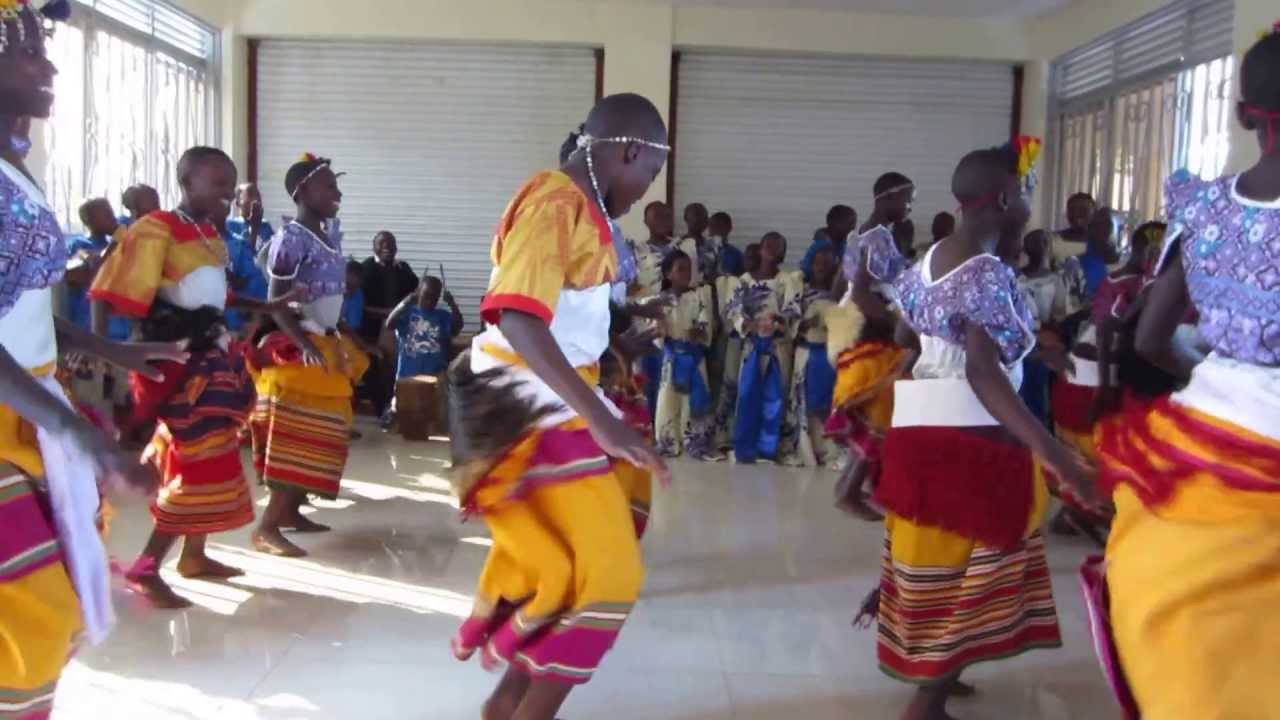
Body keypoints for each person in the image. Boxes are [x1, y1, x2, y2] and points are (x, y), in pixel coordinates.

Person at [448, 93, 670, 720]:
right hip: (522, 399)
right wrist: (600, 419)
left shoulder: (582, 206)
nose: (644, 189)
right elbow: (518, 315)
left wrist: (617, 340)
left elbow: (565, 309)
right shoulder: (555, 200)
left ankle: (507, 705)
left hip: (543, 390)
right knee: (609, 576)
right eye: (648, 174)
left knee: (579, 569)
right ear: (628, 151)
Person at [864, 138, 1091, 720]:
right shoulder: (987, 273)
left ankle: (943, 672)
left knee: (941, 564)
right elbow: (985, 372)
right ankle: (927, 700)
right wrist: (1053, 452)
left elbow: (919, 338)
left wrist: (1032, 355)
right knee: (982, 569)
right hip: (970, 440)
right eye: (1025, 200)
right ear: (1008, 199)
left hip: (923, 434)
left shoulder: (932, 258)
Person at [2, 1, 182, 707]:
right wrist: (91, 440)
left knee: (43, 615)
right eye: (25, 50)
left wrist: (116, 350)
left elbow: (22, 309)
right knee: (32, 614)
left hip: (26, 414)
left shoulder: (15, 171)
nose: (47, 66)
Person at [1094, 31, 1280, 715]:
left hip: (1201, 436)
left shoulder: (1203, 207)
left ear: (1242, 114)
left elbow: (1151, 337)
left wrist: (1223, 372)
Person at [88, 147, 274, 608]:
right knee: (197, 466)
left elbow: (213, 297)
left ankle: (194, 557)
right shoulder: (156, 229)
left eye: (231, 186)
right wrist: (104, 352)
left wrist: (267, 307)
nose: (228, 195)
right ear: (187, 183)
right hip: (175, 364)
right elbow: (105, 289)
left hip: (210, 359)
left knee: (213, 456)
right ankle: (147, 569)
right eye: (218, 184)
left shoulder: (208, 233)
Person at [250, 154, 370, 559]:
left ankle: (292, 512)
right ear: (302, 191)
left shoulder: (328, 232)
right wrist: (303, 347)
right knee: (297, 438)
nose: (338, 194)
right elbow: (276, 303)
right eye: (329, 187)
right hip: (301, 348)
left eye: (337, 187)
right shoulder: (291, 238)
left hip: (327, 342)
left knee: (321, 435)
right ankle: (267, 527)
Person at [729, 231, 803, 464]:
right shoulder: (742, 281)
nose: (772, 248)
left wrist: (779, 324)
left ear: (782, 253)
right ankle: (746, 445)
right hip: (751, 346)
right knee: (748, 393)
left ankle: (772, 447)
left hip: (777, 347)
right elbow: (733, 311)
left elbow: (792, 311)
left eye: (778, 245)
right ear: (760, 248)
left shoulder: (788, 280)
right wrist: (749, 325)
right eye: (768, 244)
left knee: (776, 394)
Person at [653, 250, 716, 459]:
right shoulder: (659, 300)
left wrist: (699, 331)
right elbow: (656, 334)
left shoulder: (698, 296)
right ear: (668, 274)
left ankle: (695, 440)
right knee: (668, 397)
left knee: (692, 398)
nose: (686, 274)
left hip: (694, 356)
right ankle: (668, 440)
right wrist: (660, 330)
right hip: (672, 356)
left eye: (689, 269)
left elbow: (706, 324)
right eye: (680, 269)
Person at [781, 245, 840, 467]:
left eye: (827, 263)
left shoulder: (840, 293)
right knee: (804, 402)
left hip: (830, 355)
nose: (822, 268)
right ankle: (805, 449)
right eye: (818, 262)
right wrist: (807, 323)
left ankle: (829, 449)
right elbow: (790, 323)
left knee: (827, 402)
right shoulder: (800, 291)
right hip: (806, 353)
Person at [359, 230, 419, 420]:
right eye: (382, 243)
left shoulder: (403, 269)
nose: (387, 247)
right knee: (379, 362)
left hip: (401, 326)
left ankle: (405, 405)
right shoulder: (365, 269)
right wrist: (387, 313)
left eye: (391, 243)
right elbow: (360, 306)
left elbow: (416, 292)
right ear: (373, 247)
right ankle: (384, 409)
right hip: (372, 328)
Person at [1017, 229, 1070, 424]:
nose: (1039, 247)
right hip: (1022, 339)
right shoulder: (1016, 278)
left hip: (1047, 340)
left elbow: (1060, 314)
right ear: (1025, 248)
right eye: (1033, 242)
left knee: (1040, 388)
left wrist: (1050, 335)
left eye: (1043, 242)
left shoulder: (1055, 279)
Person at [709, 242, 759, 450]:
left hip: (756, 343)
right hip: (731, 340)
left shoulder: (763, 284)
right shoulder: (729, 283)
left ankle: (745, 434)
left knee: (747, 389)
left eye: (756, 258)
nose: (752, 262)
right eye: (748, 257)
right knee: (729, 385)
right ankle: (722, 434)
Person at [386, 275, 463, 381]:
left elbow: (457, 327)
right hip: (407, 378)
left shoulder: (442, 315)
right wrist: (405, 302)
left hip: (435, 378)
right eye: (426, 296)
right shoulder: (407, 313)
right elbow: (389, 324)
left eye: (434, 298)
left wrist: (452, 304)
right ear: (418, 292)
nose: (429, 302)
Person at [222, 183, 273, 335]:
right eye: (250, 195)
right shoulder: (230, 225)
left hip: (262, 296)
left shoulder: (266, 227)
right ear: (238, 202)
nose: (256, 200)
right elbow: (243, 258)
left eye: (258, 195)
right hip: (242, 297)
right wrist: (254, 228)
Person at [629, 200, 675, 299]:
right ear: (646, 221)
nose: (663, 221)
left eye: (667, 216)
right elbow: (631, 287)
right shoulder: (636, 252)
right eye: (657, 217)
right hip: (649, 309)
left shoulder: (682, 246)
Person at [800, 204, 857, 280]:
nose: (853, 228)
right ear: (832, 223)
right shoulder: (819, 246)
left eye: (854, 224)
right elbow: (805, 268)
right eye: (849, 223)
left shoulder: (845, 244)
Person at [1054, 191, 1096, 259]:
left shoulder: (1100, 243)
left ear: (1094, 213)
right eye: (1072, 210)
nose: (1076, 214)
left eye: (1083, 210)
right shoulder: (1056, 238)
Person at [709, 211, 743, 277]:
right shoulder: (700, 250)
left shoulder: (737, 255)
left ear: (729, 228)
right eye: (712, 226)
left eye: (719, 226)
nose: (716, 230)